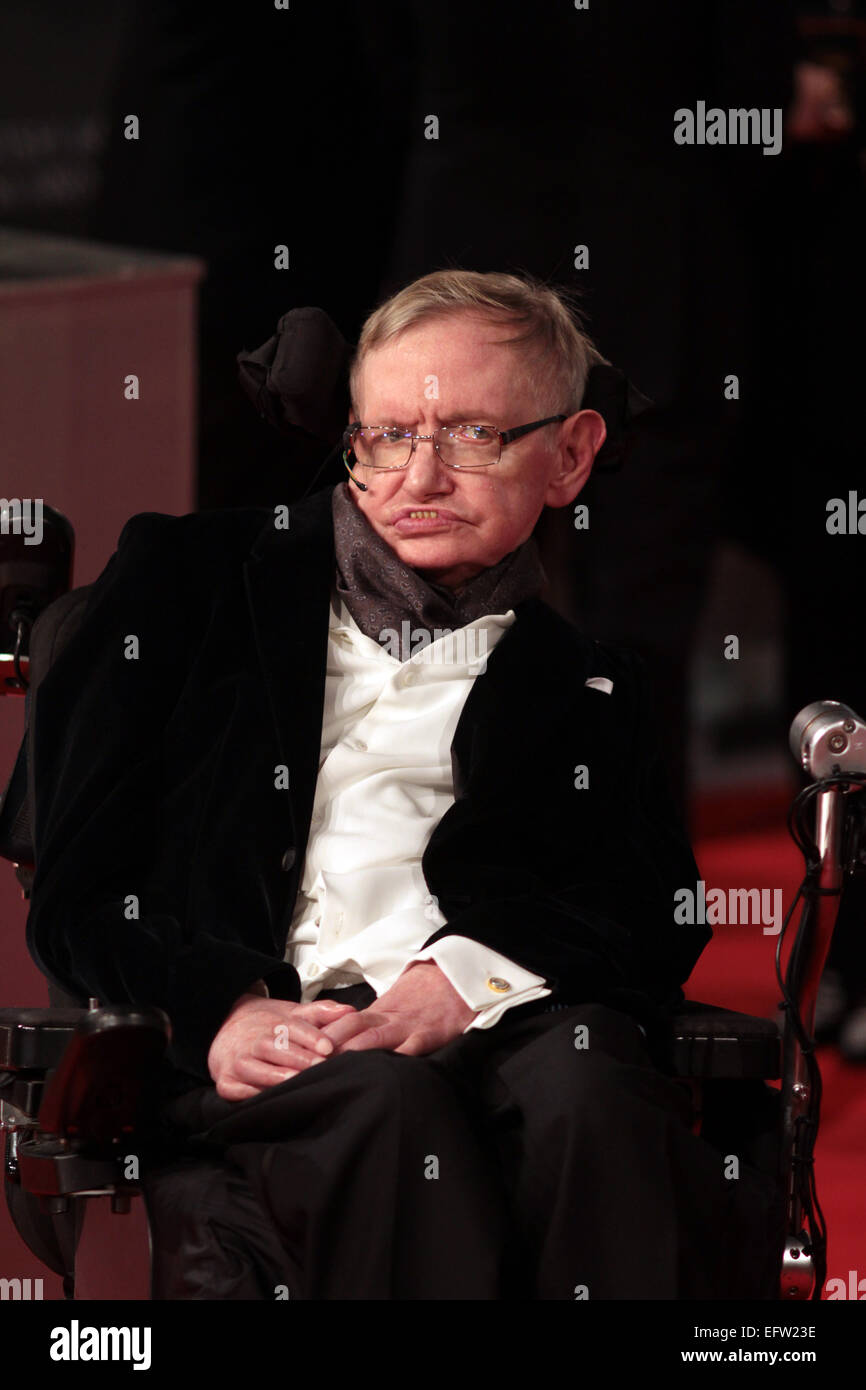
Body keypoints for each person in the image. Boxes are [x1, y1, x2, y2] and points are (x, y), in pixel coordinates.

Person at [26, 271, 782, 1300]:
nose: (416, 477)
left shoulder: (589, 681)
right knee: (387, 1104)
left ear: (569, 456)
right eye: (384, 435)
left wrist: (459, 980)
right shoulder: (187, 578)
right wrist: (221, 1008)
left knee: (593, 1086)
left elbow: (644, 910)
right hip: (271, 1033)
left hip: (489, 1022)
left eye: (472, 435)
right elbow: (78, 888)